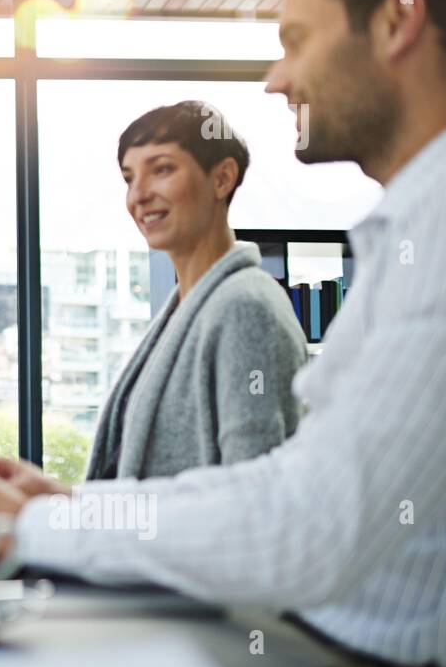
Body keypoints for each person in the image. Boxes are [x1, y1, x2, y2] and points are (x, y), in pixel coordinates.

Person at [0, 0, 446, 667]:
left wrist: (38, 525)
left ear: (396, 21)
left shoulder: (437, 229)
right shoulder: (412, 226)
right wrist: (80, 507)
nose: (277, 79)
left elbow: (303, 524)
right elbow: (282, 485)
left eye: (297, 41)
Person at [86, 101, 306, 481]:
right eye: (128, 178)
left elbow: (253, 494)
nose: (138, 196)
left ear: (222, 179)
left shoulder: (245, 309)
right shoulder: (182, 313)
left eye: (161, 169)